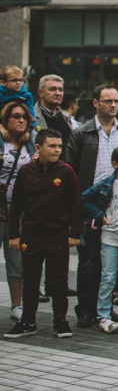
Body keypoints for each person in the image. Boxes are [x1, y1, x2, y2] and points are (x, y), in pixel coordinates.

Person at [64, 84, 118, 329]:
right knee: (89, 260)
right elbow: (71, 169)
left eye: (116, 101)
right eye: (108, 101)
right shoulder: (82, 133)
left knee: (116, 264)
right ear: (96, 103)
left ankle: (106, 310)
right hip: (93, 202)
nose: (113, 105)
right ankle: (86, 310)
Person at [3, 129, 79, 340]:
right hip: (31, 234)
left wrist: (75, 232)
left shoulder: (66, 172)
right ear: (38, 148)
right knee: (30, 280)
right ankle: (27, 321)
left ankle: (60, 322)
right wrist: (13, 235)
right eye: (52, 146)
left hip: (57, 235)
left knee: (59, 281)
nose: (57, 150)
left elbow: (74, 204)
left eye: (59, 147)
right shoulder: (27, 172)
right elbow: (16, 206)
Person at [80, 146, 118, 334]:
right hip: (110, 237)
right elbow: (84, 199)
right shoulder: (106, 184)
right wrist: (99, 215)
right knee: (108, 277)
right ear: (115, 164)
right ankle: (103, 316)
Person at [0, 101, 35, 321]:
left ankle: (17, 305)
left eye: (24, 117)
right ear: (5, 120)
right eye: (16, 116)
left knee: (17, 260)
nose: (21, 120)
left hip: (21, 211)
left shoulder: (30, 142)